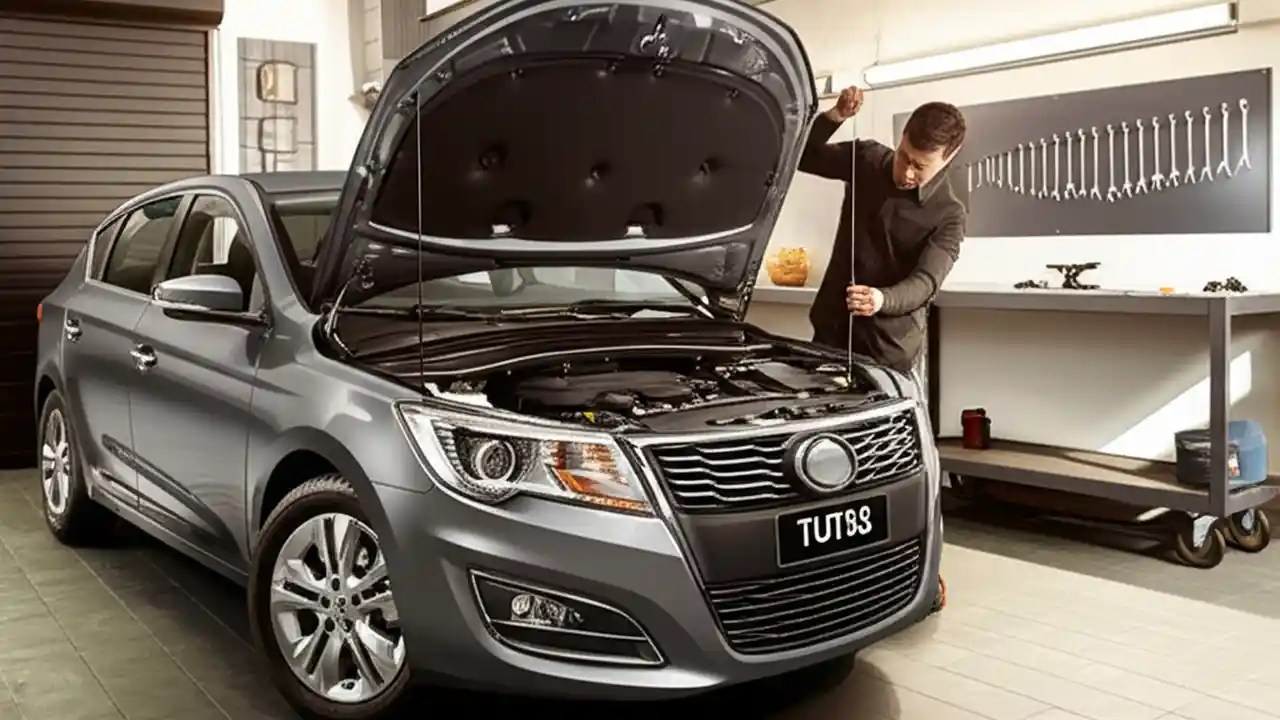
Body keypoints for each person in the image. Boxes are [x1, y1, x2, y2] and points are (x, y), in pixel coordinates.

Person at [799, 86, 967, 614]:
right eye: (905, 156)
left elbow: (925, 284)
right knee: (815, 463)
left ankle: (922, 576)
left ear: (948, 159)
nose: (907, 172)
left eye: (921, 166)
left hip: (891, 356)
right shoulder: (870, 159)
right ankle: (826, 576)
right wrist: (833, 116)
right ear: (899, 139)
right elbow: (801, 155)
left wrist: (881, 299)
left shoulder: (949, 216)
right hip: (830, 341)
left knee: (901, 470)